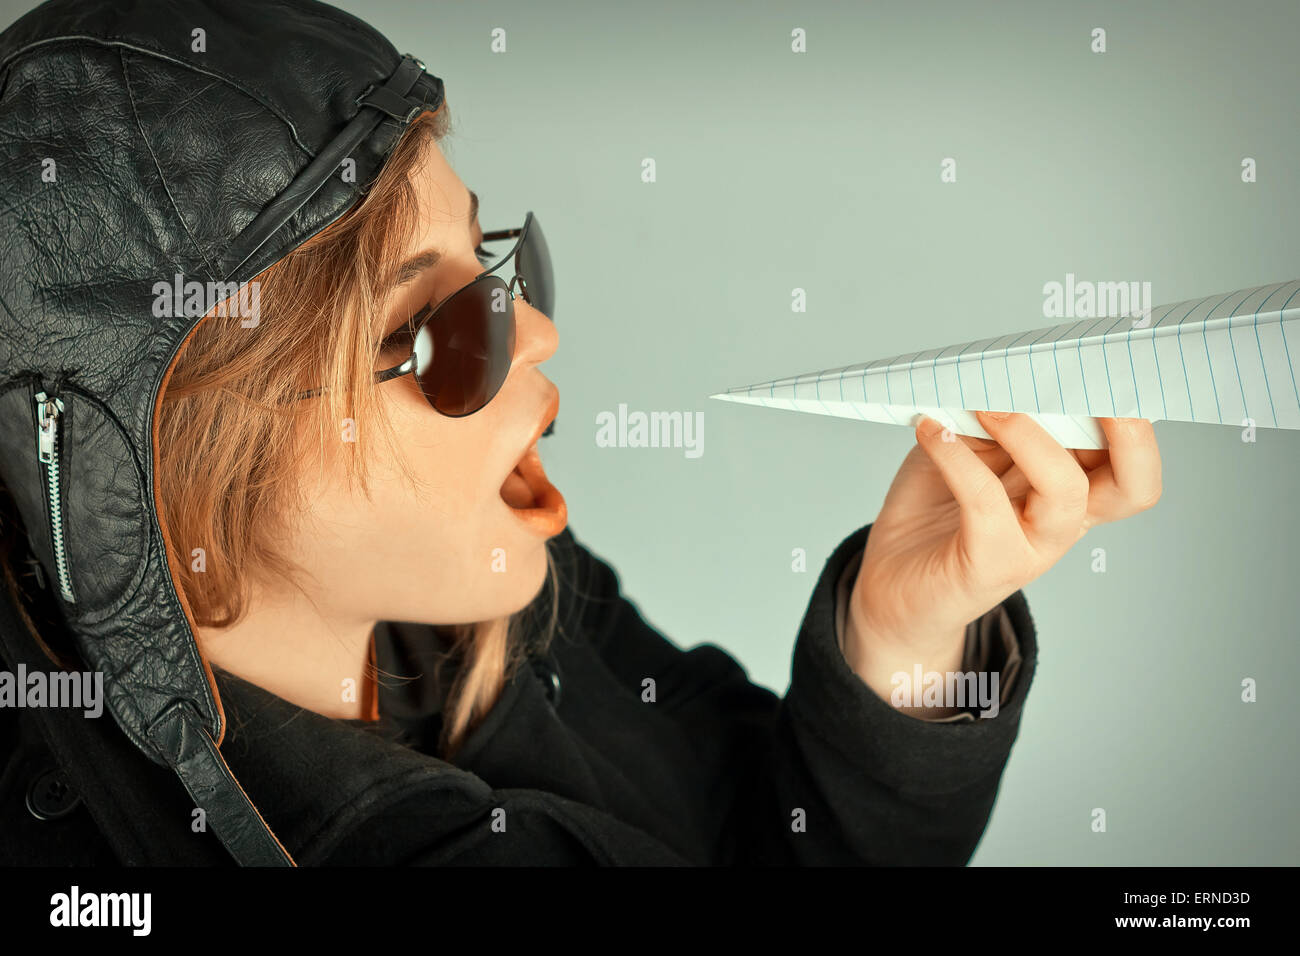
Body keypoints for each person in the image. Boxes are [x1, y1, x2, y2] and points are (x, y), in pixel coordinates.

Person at [0, 0, 1161, 866]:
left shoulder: (507, 602)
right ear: (174, 484)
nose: (536, 331)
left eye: (497, 266)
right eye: (427, 327)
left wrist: (906, 634)